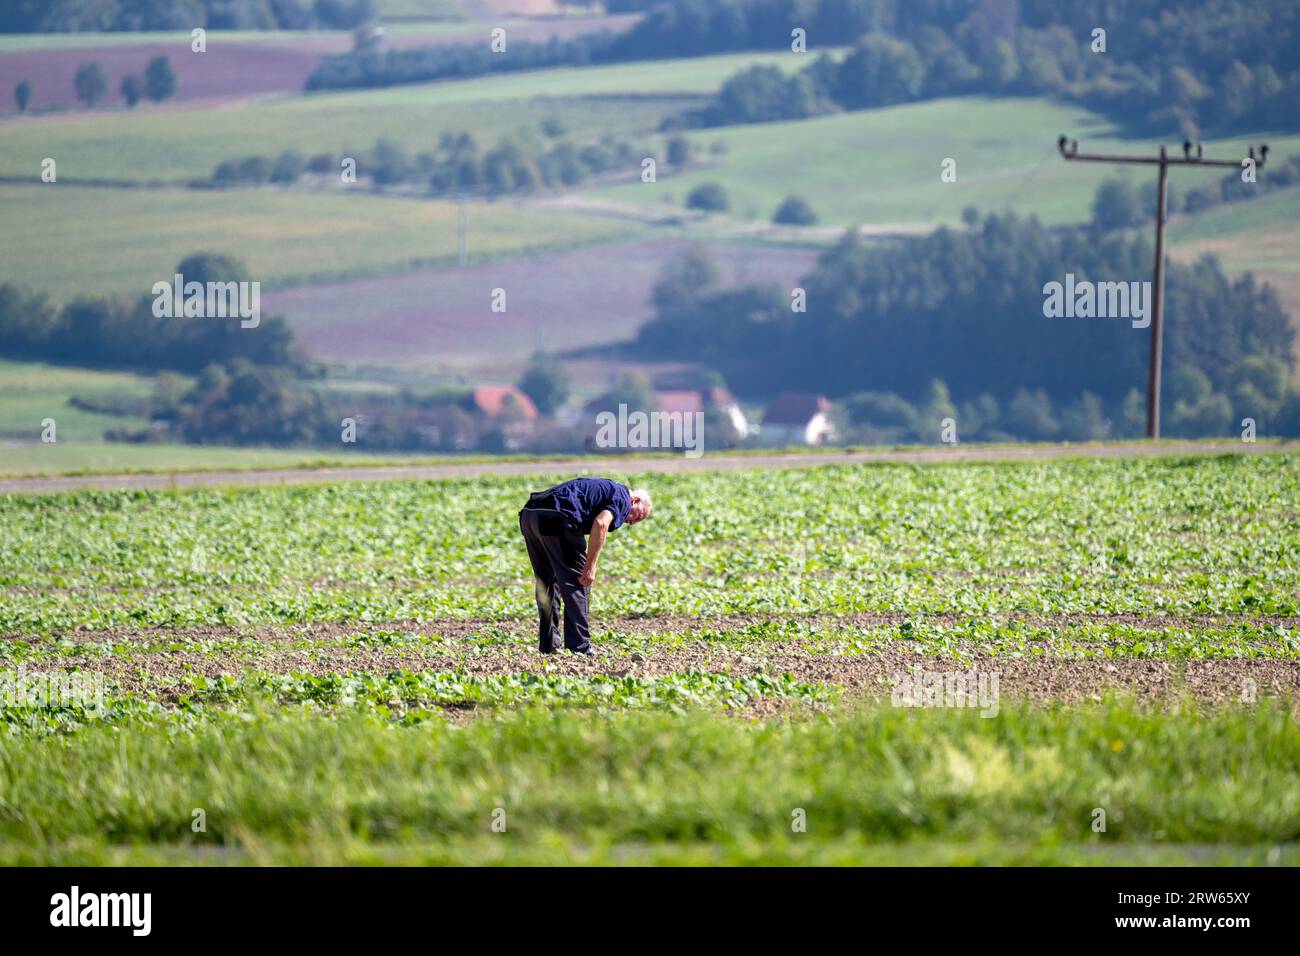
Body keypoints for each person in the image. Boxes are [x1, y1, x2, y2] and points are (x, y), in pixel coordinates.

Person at [518, 477, 652, 655]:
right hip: (556, 519)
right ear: (635, 500)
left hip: (530, 515)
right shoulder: (622, 496)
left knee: (547, 583)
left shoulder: (606, 489)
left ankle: (549, 645)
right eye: (637, 515)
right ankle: (579, 647)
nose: (631, 521)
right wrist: (590, 566)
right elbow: (601, 523)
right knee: (579, 582)